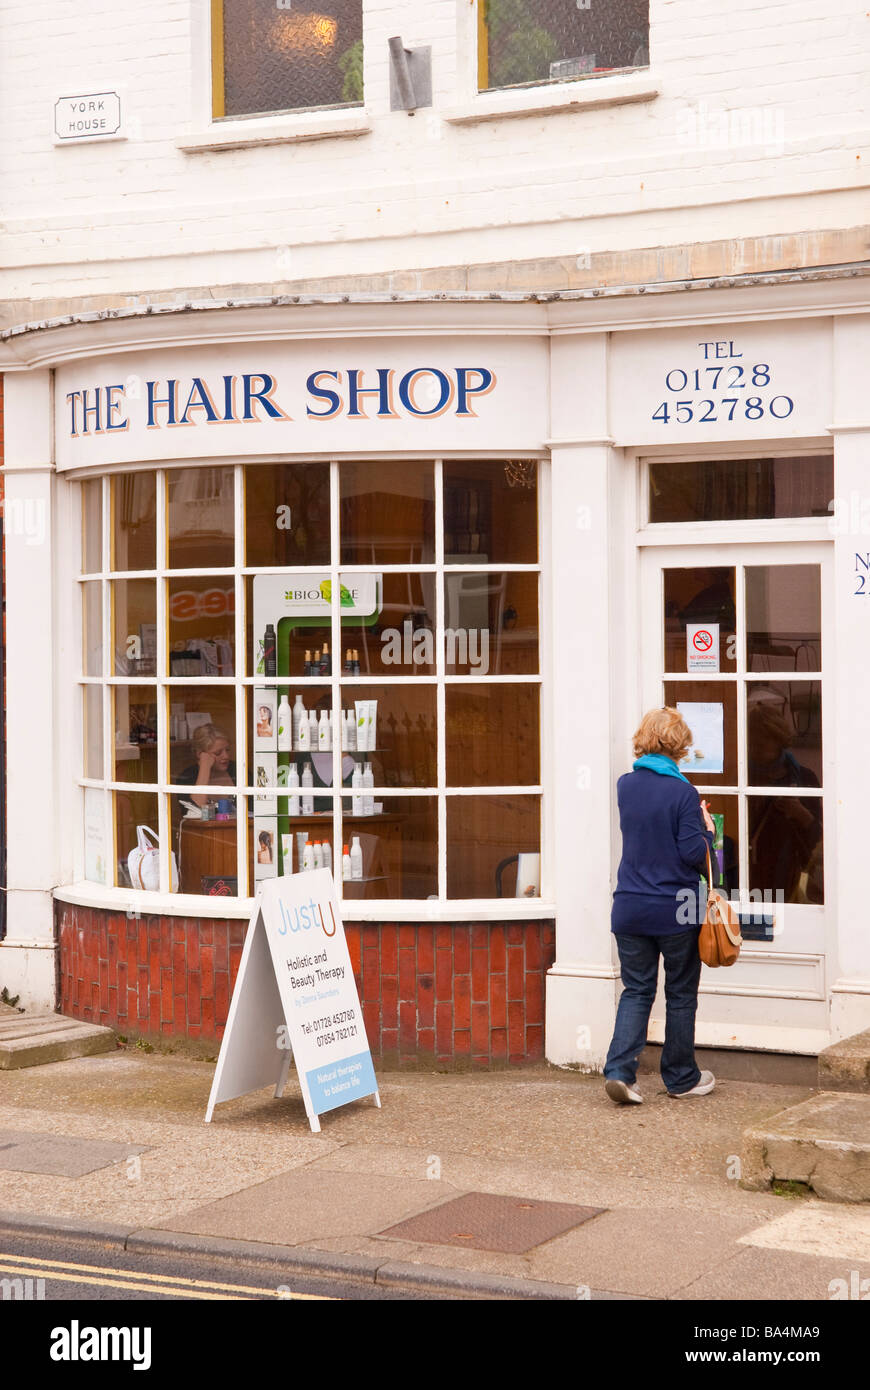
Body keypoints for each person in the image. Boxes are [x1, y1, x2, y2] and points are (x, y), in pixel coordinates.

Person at [603, 707, 716, 1105]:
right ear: (680, 744)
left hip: (630, 906)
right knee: (681, 993)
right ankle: (682, 1078)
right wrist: (709, 832)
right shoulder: (682, 792)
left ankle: (619, 1072)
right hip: (676, 908)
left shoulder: (625, 785)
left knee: (636, 990)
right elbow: (692, 854)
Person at [176, 724, 236, 809]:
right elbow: (196, 810)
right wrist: (205, 767)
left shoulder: (238, 770)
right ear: (200, 754)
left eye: (227, 750)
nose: (226, 756)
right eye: (218, 753)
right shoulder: (187, 777)